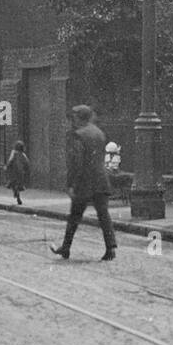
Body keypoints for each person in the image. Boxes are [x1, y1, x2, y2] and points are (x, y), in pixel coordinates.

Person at [50, 105, 117, 260]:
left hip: (84, 182)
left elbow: (76, 162)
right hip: (101, 180)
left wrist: (71, 184)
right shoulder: (99, 133)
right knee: (103, 215)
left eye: (73, 117)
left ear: (78, 118)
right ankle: (110, 248)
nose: (71, 120)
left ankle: (65, 248)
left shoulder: (77, 135)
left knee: (74, 216)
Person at [6, 140, 30, 206]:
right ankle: (17, 194)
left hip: (14, 172)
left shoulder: (13, 153)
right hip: (20, 172)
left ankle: (16, 193)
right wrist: (25, 169)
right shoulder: (23, 154)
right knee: (19, 184)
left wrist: (7, 167)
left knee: (13, 183)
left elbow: (10, 161)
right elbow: (27, 162)